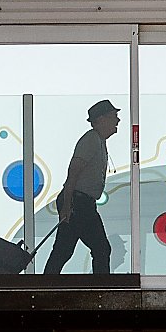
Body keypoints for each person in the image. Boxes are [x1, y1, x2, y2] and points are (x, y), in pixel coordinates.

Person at [45, 98, 119, 276]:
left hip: (80, 202)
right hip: (79, 202)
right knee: (101, 248)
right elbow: (73, 172)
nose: (117, 121)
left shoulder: (98, 141)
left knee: (64, 249)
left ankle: (46, 284)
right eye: (113, 116)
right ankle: (102, 289)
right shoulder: (91, 140)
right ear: (100, 120)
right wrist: (67, 205)